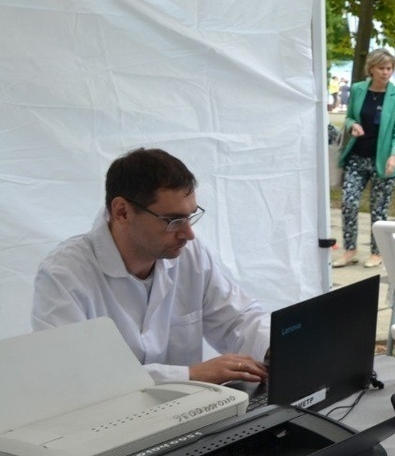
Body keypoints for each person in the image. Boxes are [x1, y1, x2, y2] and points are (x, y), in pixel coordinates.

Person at [32, 148, 269, 385]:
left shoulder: (190, 255)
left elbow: (239, 320)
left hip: (191, 413)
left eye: (190, 216)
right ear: (122, 212)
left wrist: (273, 348)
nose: (188, 234)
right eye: (173, 220)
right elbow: (73, 376)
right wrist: (189, 375)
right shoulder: (63, 275)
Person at [334, 47, 395, 269]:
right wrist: (352, 125)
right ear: (371, 69)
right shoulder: (358, 90)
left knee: (379, 209)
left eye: (389, 68)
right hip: (357, 157)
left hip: (385, 160)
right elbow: (348, 117)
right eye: (381, 68)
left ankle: (377, 252)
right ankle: (350, 250)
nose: (386, 72)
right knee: (349, 202)